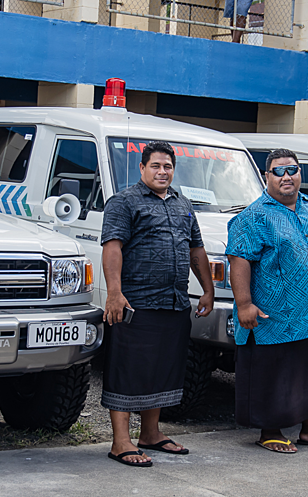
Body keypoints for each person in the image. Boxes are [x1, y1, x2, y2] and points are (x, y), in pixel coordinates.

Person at [226, 148, 308, 454]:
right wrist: (244, 303)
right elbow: (239, 261)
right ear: (267, 176)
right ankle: (270, 430)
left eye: (292, 170)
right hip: (275, 314)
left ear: (300, 173)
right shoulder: (254, 216)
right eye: (279, 171)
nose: (287, 177)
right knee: (275, 371)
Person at [100, 140, 215, 467]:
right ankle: (120, 441)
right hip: (136, 302)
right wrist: (114, 292)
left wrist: (207, 289)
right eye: (156, 166)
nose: (162, 171)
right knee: (127, 369)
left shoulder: (183, 205)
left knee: (163, 368)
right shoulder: (124, 202)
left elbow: (197, 250)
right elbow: (113, 247)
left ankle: (150, 433)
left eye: (167, 166)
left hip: (174, 301)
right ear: (142, 168)